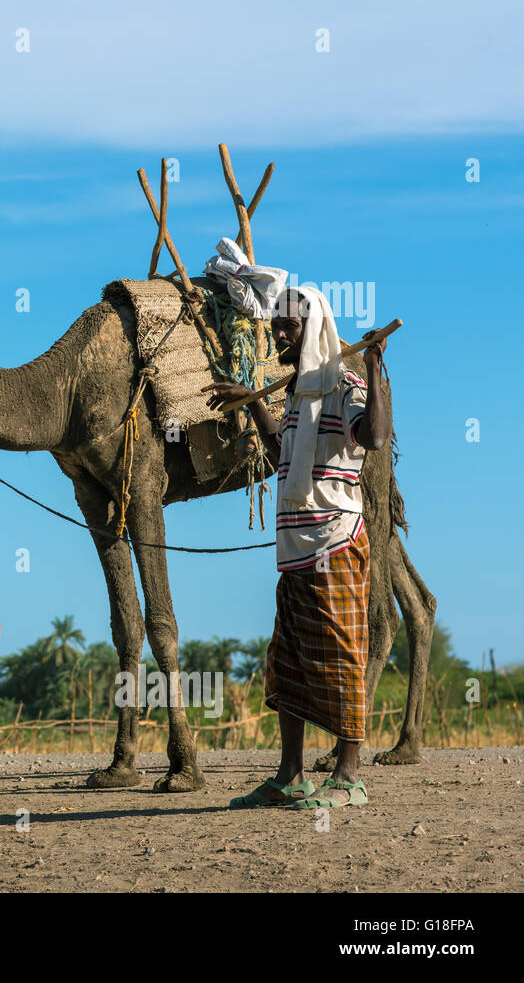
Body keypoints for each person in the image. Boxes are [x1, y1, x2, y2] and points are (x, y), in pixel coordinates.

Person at [203, 287, 389, 809]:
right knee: (290, 662)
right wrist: (254, 401)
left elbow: (373, 439)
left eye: (289, 327)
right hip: (293, 549)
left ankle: (349, 775)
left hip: (335, 541)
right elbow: (281, 455)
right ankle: (290, 776)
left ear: (315, 328)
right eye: (276, 326)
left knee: (342, 657)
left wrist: (375, 370)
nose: (279, 334)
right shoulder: (298, 396)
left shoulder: (346, 388)